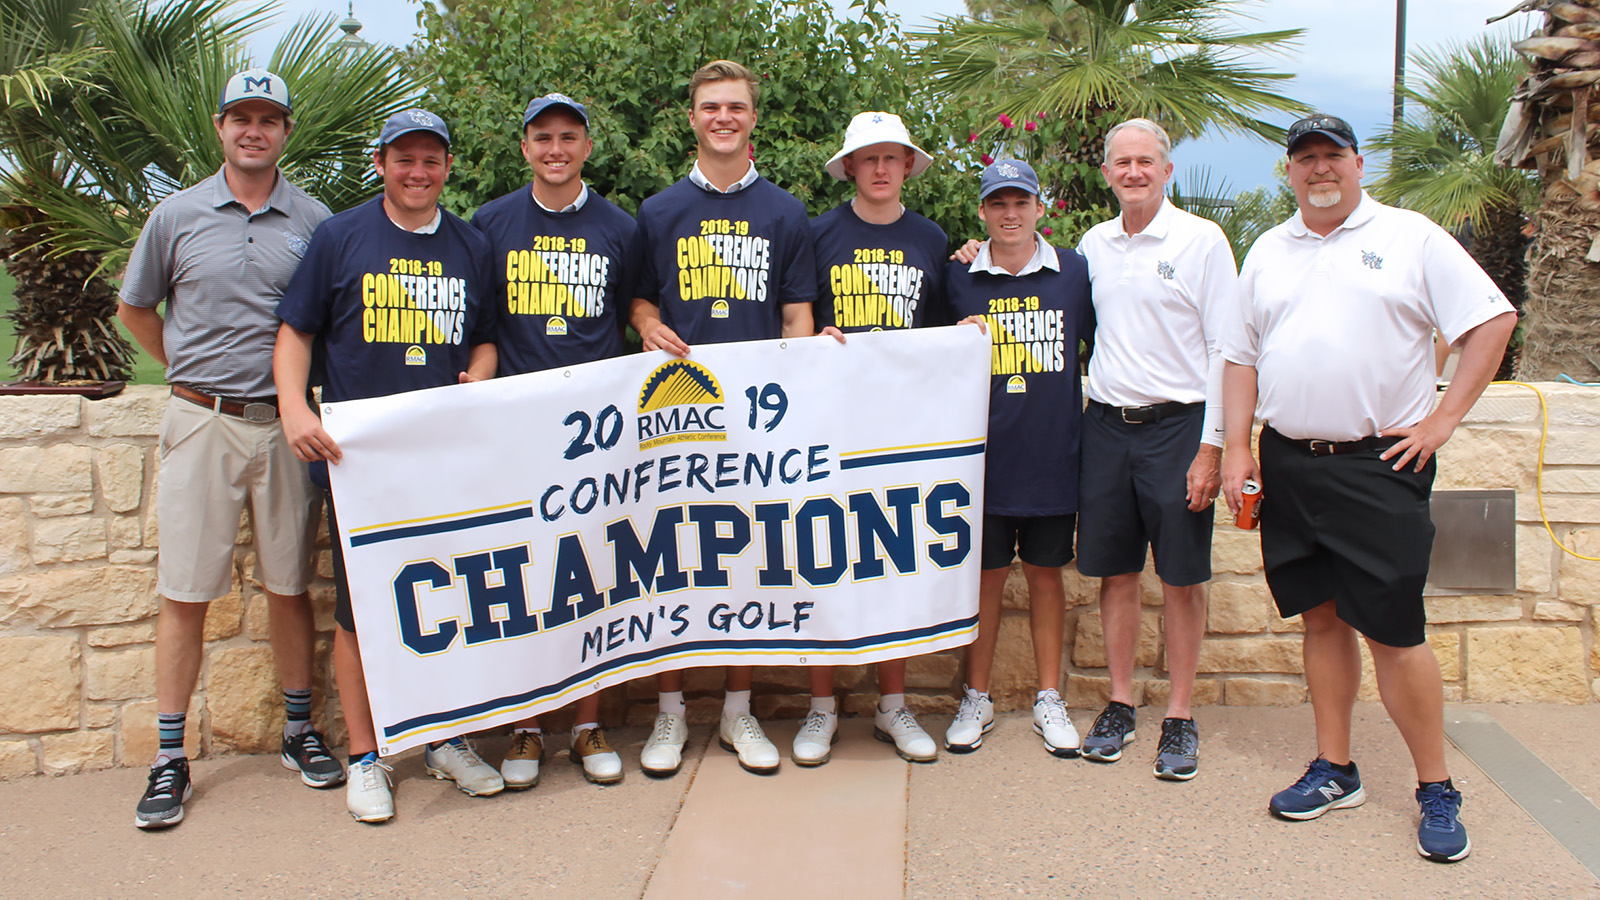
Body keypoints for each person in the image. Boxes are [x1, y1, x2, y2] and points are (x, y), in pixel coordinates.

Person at [1220, 114, 1516, 863]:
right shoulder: (1269, 249)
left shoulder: (1411, 237)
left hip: (1378, 465)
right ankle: (1335, 769)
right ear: (1288, 173)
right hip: (1290, 462)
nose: (1319, 170)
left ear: (1356, 164)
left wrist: (1444, 419)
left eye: (1331, 157)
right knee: (1321, 620)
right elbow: (1240, 357)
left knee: (1395, 630)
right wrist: (1236, 450)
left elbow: (1492, 320)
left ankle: (1435, 787)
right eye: (1304, 160)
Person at [118, 68, 339, 830]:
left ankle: (300, 730)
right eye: (241, 117)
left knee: (287, 585)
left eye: (269, 119)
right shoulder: (175, 215)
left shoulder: (315, 220)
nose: (255, 129)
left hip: (284, 425)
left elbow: (327, 321)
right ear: (220, 127)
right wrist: (186, 369)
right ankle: (170, 755)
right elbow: (136, 307)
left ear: (285, 131)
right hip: (200, 418)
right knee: (184, 590)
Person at [274, 108, 502, 823]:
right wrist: (292, 409)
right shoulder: (340, 237)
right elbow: (295, 332)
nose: (418, 171)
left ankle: (444, 740)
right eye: (404, 158)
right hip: (360, 463)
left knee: (449, 602)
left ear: (447, 167)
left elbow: (487, 341)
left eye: (431, 159)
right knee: (359, 613)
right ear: (381, 164)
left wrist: (482, 374)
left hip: (444, 462)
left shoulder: (470, 244)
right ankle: (368, 758)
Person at [628, 60, 824, 777]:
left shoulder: (785, 212)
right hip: (678, 414)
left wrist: (792, 383)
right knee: (673, 564)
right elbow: (640, 302)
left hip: (758, 422)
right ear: (691, 117)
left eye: (736, 106)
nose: (723, 117)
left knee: (745, 562)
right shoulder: (657, 213)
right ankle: (671, 716)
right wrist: (648, 325)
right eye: (711, 106)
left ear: (752, 118)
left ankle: (738, 713)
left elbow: (798, 313)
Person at [470, 92, 636, 788]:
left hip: (596, 431)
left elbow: (635, 311)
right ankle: (528, 728)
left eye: (569, 136)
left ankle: (588, 722)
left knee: (595, 576)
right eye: (543, 137)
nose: (556, 148)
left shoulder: (621, 227)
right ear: (525, 147)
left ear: (588, 147)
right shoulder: (491, 223)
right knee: (531, 577)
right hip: (519, 428)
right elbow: (480, 324)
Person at [1073, 118, 1238, 780]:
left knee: (1180, 577)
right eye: (1122, 162)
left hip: (1180, 428)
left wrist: (1213, 448)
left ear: (1167, 172)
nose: (1134, 171)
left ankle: (1178, 713)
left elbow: (1226, 349)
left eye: (1146, 161)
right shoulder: (1093, 244)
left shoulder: (1201, 241)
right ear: (1107, 173)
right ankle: (1120, 702)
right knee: (1116, 573)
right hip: (1107, 427)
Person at [791, 110, 945, 766]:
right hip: (832, 429)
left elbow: (943, 339)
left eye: (893, 157)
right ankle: (822, 708)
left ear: (909, 165)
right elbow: (795, 323)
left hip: (902, 432)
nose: (881, 169)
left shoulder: (934, 240)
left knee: (896, 565)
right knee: (825, 563)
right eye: (869, 158)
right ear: (849, 166)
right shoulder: (816, 233)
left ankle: (892, 706)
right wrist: (812, 344)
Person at [944, 159, 1094, 758]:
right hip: (982, 462)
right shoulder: (957, 276)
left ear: (1039, 209)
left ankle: (1049, 698)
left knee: (1046, 578)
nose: (1010, 214)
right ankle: (975, 697)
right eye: (998, 204)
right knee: (982, 580)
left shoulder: (1074, 273)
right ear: (982, 212)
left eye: (1021, 203)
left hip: (1053, 456)